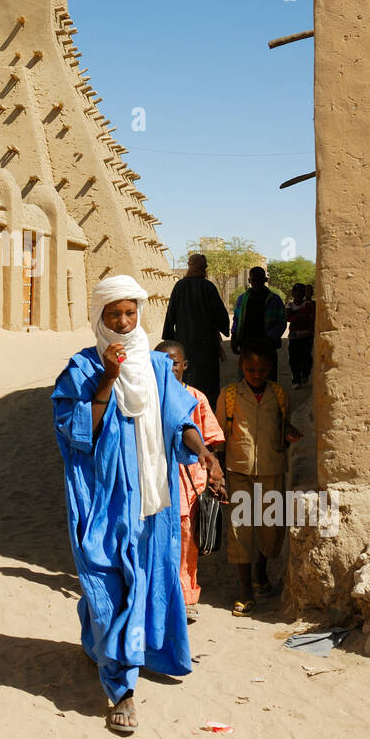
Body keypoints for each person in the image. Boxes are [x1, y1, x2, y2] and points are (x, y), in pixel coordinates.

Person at [52, 275, 225, 735]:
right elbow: (76, 432)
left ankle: (119, 671)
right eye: (115, 314)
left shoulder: (157, 368)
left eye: (130, 313)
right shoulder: (83, 368)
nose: (124, 322)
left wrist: (203, 450)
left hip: (153, 501)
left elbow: (178, 420)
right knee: (107, 584)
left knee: (144, 582)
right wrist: (109, 378)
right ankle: (120, 683)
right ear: (100, 318)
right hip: (103, 500)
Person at [219, 338, 301, 617]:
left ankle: (260, 572)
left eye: (262, 370)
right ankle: (245, 591)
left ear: (270, 369)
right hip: (238, 471)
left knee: (270, 527)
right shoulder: (229, 395)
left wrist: (289, 433)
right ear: (241, 366)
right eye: (251, 369)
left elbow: (282, 427)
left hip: (271, 469)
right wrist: (216, 471)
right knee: (241, 529)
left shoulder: (279, 395)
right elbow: (219, 436)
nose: (256, 375)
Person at [155, 341, 225, 625]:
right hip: (158, 481)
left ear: (184, 365)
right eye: (162, 363)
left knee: (187, 541)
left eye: (174, 362)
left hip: (190, 484)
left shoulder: (196, 398)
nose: (169, 368)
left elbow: (210, 440)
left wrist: (213, 471)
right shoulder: (147, 401)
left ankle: (186, 596)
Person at [161, 253, 230, 410]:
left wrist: (170, 341)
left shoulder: (179, 287)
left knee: (186, 380)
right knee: (208, 384)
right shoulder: (208, 287)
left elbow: (170, 315)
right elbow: (221, 316)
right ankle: (207, 415)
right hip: (207, 347)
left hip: (184, 344)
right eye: (204, 266)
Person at [230, 268, 286, 382]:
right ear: (249, 280)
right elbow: (236, 319)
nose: (256, 283)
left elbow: (281, 322)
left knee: (268, 381)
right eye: (254, 280)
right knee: (244, 381)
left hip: (267, 347)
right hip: (246, 345)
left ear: (265, 280)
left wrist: (270, 338)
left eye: (260, 280)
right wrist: (234, 336)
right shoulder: (242, 299)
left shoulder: (274, 300)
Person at [285, 283, 316, 387]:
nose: (298, 294)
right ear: (292, 293)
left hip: (306, 337)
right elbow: (288, 317)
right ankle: (296, 379)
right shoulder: (290, 305)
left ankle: (305, 374)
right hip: (294, 338)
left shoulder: (308, 304)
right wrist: (302, 316)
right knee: (294, 359)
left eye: (301, 292)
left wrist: (298, 315)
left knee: (306, 358)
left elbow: (309, 316)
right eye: (296, 292)